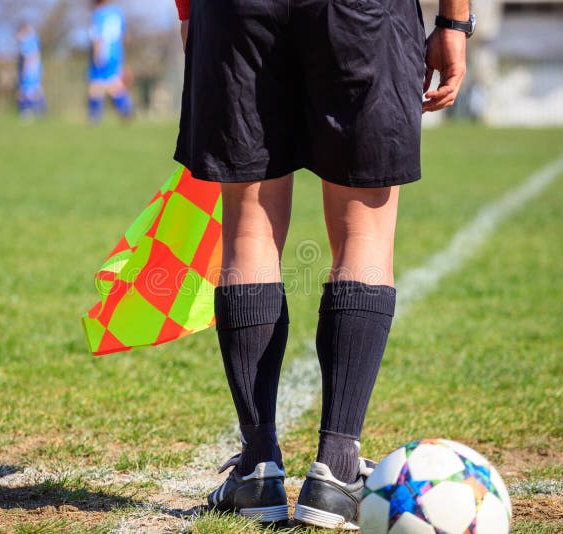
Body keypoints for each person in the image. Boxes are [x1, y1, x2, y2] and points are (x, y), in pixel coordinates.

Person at [173, 0, 473, 528]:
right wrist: (454, 20)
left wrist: (191, 14)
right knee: (365, 232)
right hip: (360, 13)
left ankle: (258, 469)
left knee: (249, 228)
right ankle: (335, 472)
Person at [87, 0, 134, 123]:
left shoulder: (98, 14)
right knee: (113, 82)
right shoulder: (117, 12)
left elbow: (98, 36)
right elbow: (125, 36)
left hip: (103, 52)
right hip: (116, 53)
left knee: (96, 83)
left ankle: (94, 115)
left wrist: (97, 54)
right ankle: (125, 108)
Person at [16, 23, 46, 118]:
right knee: (36, 89)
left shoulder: (26, 41)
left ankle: (27, 111)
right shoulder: (34, 38)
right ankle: (42, 110)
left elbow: (28, 58)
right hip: (37, 68)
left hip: (30, 69)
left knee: (26, 91)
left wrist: (24, 71)